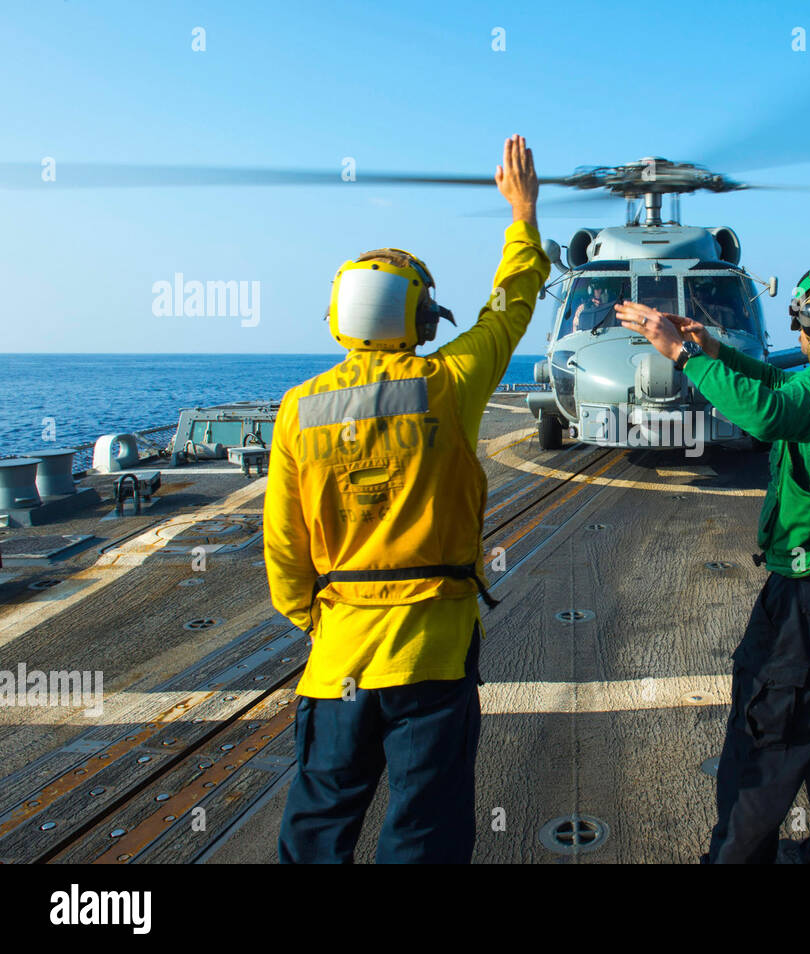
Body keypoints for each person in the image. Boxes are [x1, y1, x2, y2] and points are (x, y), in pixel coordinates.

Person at [264, 135, 547, 864]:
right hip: (431, 659)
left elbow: (285, 552)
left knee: (317, 832)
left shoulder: (298, 410)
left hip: (337, 665)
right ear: (421, 320)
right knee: (423, 838)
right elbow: (511, 308)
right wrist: (523, 215)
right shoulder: (448, 384)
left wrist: (318, 622)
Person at [615, 257, 810, 864]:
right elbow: (782, 389)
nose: (798, 326)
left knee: (766, 742)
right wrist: (714, 345)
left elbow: (771, 413)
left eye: (802, 315)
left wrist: (686, 358)